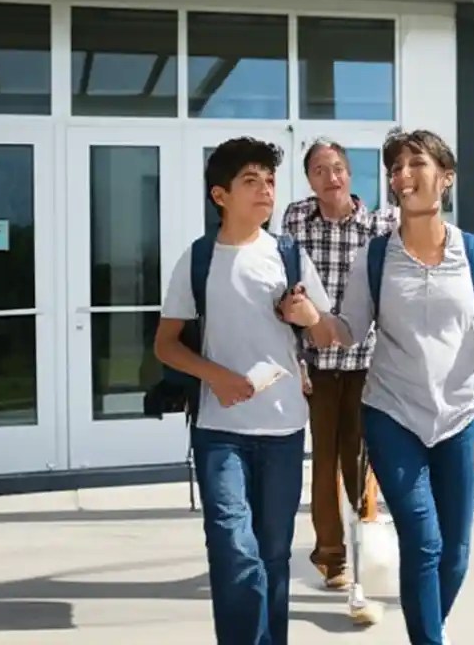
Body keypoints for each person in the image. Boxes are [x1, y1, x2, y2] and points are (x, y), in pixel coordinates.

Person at [154, 136, 345, 645]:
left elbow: (329, 335)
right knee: (234, 550)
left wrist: (307, 316)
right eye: (250, 181)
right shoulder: (196, 261)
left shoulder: (288, 254)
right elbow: (165, 345)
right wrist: (214, 375)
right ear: (220, 195)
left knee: (274, 555)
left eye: (269, 180)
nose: (265, 190)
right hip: (219, 433)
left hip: (283, 429)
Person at [327, 128, 474, 645]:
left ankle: (429, 629)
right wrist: (315, 319)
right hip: (392, 413)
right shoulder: (376, 257)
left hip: (458, 416)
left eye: (416, 165)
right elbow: (348, 329)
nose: (402, 176)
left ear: (446, 178)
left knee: (455, 552)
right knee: (423, 541)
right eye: (395, 169)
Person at [281, 137, 397, 589]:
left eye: (337, 168)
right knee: (325, 460)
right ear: (309, 179)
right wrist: (296, 360)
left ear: (350, 173)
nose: (331, 178)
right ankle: (332, 557)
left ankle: (367, 548)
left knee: (363, 460)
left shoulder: (378, 224)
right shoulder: (295, 219)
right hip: (317, 363)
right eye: (319, 170)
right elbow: (287, 289)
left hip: (367, 360)